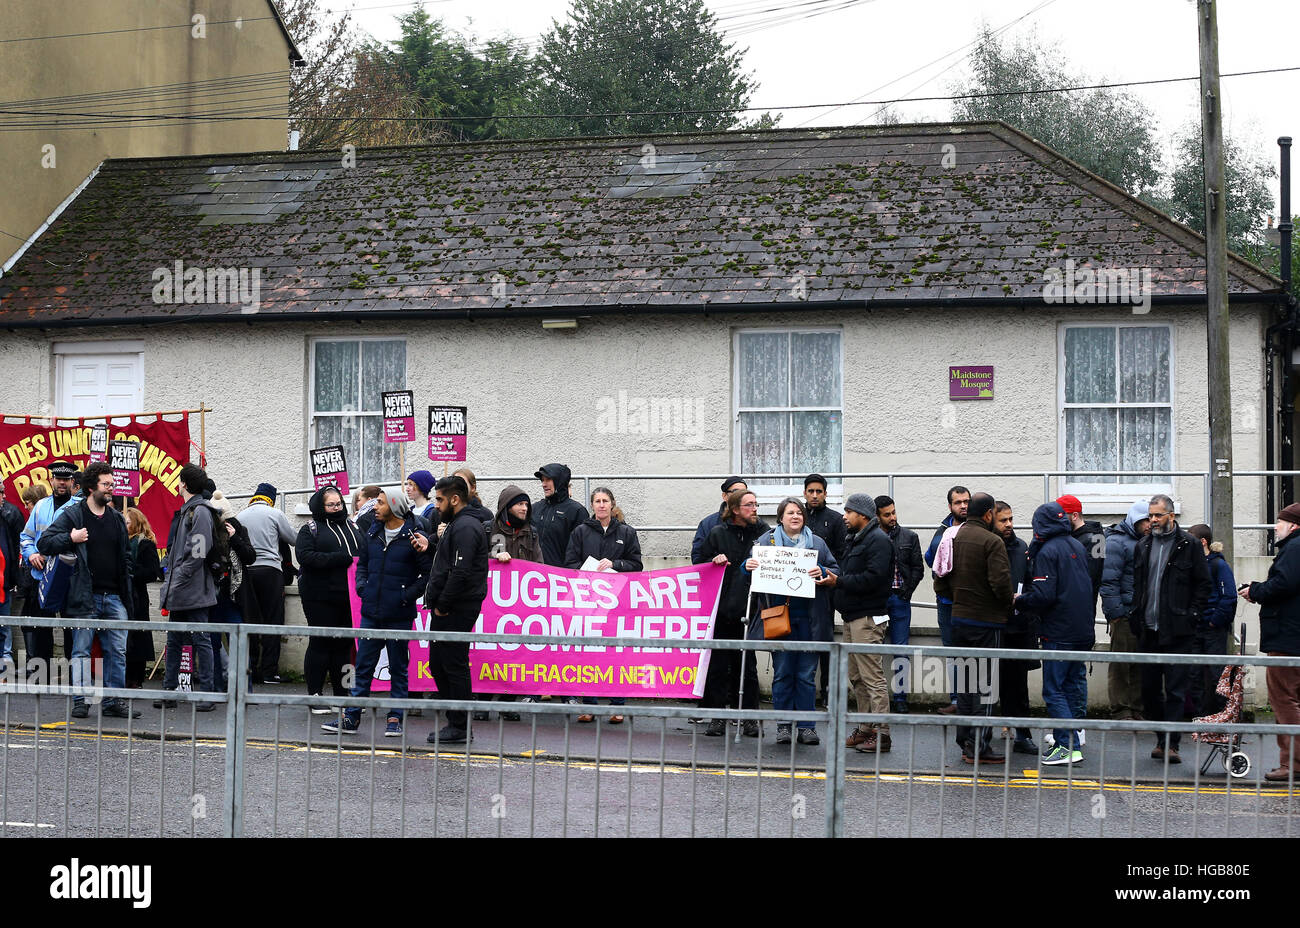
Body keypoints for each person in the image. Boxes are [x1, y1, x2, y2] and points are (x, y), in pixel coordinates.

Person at [37, 462, 141, 719]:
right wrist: (70, 538)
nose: (111, 489)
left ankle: (113, 701)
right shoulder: (74, 515)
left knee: (117, 650)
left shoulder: (116, 518)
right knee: (81, 650)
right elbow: (45, 541)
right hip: (85, 596)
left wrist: (126, 576)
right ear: (92, 487)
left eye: (112, 484)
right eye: (106, 485)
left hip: (115, 597)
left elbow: (126, 556)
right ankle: (81, 700)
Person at [326, 490, 431, 738]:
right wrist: (363, 586)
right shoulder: (372, 532)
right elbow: (362, 564)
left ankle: (395, 718)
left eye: (380, 503)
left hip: (399, 614)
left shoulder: (414, 538)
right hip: (371, 612)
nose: (375, 507)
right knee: (363, 667)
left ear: (394, 507)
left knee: (398, 668)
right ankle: (351, 717)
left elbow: (427, 576)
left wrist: (406, 595)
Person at [743, 497, 839, 746]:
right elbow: (746, 570)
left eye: (799, 512)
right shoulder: (767, 541)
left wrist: (822, 572)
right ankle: (784, 725)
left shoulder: (817, 542)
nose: (795, 516)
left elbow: (835, 571)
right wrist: (748, 565)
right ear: (780, 518)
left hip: (810, 619)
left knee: (806, 675)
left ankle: (807, 726)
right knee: (783, 673)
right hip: (779, 619)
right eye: (790, 513)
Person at [1127, 495, 1212, 764]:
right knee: (1150, 690)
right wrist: (1134, 614)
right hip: (1148, 630)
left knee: (1175, 690)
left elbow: (1203, 584)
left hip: (1178, 631)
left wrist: (1192, 616)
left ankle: (1171, 744)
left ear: (1172, 516)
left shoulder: (1188, 545)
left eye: (1158, 515)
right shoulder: (1142, 545)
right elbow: (1138, 584)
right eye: (1150, 516)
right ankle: (1160, 737)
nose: (1152, 520)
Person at [1015, 502, 1096, 765]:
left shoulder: (1047, 551)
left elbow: (1044, 595)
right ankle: (1069, 741)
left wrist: (1019, 599)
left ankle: (1067, 746)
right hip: (1082, 629)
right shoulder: (1075, 545)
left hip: (1059, 632)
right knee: (1071, 688)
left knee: (1054, 690)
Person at [421, 475, 491, 743]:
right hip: (450, 605)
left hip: (456, 607)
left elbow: (460, 572)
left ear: (454, 499)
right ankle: (456, 722)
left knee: (452, 664)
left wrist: (443, 605)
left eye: (439, 499)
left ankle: (460, 725)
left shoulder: (465, 527)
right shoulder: (456, 524)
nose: (436, 505)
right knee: (439, 664)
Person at [824, 493, 894, 753]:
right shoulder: (856, 539)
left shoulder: (878, 541)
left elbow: (873, 578)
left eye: (849, 511)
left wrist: (838, 582)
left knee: (872, 678)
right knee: (857, 676)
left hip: (867, 619)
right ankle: (867, 728)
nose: (844, 516)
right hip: (852, 617)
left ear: (862, 515)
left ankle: (883, 734)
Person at [566, 487, 642, 723]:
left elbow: (636, 564)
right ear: (592, 506)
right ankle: (590, 706)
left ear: (612, 504)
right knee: (588, 653)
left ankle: (617, 705)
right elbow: (569, 563)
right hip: (589, 603)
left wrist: (616, 563)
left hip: (618, 603)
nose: (601, 505)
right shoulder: (580, 532)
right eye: (597, 501)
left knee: (616, 653)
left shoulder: (627, 532)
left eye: (605, 501)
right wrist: (587, 570)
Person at [948, 492, 1013, 764]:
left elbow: (940, 576)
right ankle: (980, 746)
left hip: (959, 619)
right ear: (988, 514)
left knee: (965, 684)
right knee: (985, 685)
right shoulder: (992, 541)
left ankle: (965, 743)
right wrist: (1008, 604)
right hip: (986, 621)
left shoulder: (953, 536)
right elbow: (1000, 583)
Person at [1239, 503, 1300, 782]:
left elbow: (1284, 584)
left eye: (1280, 522)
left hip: (1288, 639)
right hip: (1291, 636)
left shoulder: (1294, 548)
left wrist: (1256, 591)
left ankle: (1293, 766)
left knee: (1284, 700)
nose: (1276, 526)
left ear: (1294, 525)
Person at [699, 488, 764, 737]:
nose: (755, 509)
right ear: (736, 509)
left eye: (756, 504)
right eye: (749, 505)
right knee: (719, 665)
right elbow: (701, 564)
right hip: (723, 608)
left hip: (750, 608)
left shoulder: (762, 534)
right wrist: (713, 560)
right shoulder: (717, 533)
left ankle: (749, 718)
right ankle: (717, 717)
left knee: (747, 666)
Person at [156, 464, 219, 709]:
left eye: (179, 480)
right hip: (182, 589)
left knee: (201, 639)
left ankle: (207, 695)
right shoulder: (188, 510)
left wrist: (179, 576)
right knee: (174, 640)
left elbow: (199, 551)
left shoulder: (200, 511)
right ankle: (169, 692)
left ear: (184, 483)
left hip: (194, 589)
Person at [296, 486, 361, 714]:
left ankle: (344, 695)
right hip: (318, 595)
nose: (336, 508)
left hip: (348, 596)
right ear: (320, 507)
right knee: (321, 643)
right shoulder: (310, 529)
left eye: (339, 504)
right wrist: (338, 559)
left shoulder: (353, 526)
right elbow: (304, 557)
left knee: (344, 646)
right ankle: (315, 695)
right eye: (330, 505)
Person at [481, 484, 543, 722]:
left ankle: (508, 702)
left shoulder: (532, 533)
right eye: (519, 504)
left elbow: (539, 566)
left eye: (526, 504)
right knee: (487, 653)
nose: (524, 508)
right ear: (507, 507)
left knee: (516, 656)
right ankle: (483, 702)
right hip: (491, 606)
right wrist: (493, 557)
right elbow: (476, 557)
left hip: (521, 608)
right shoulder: (489, 530)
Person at [20, 460, 81, 664]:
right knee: (40, 628)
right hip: (41, 577)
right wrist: (31, 555)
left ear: (72, 482)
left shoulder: (79, 508)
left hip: (69, 578)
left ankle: (73, 677)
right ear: (51, 480)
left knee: (70, 629)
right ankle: (40, 674)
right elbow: (26, 537)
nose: (62, 483)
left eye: (66, 479)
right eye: (58, 479)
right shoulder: (39, 506)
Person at [238, 482, 297, 685]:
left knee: (250, 620)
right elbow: (293, 539)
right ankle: (270, 672)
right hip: (271, 571)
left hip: (248, 572)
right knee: (273, 621)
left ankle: (251, 670)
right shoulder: (274, 513)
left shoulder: (240, 516)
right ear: (270, 498)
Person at [1100, 499, 1151, 720]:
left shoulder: (1147, 541)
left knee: (1140, 664)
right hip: (1125, 614)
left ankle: (1137, 708)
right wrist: (1117, 614)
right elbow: (1109, 581)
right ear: (1135, 520)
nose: (1150, 523)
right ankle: (1121, 710)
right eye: (1145, 520)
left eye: (1152, 519)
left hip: (1143, 613)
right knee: (1122, 664)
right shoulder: (1116, 542)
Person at [995, 501, 1038, 754]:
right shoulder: (988, 546)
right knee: (988, 683)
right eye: (1003, 520)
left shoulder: (1021, 547)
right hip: (993, 626)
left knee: (1018, 685)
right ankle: (986, 732)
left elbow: (1030, 580)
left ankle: (1023, 734)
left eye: (1011, 519)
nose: (1009, 524)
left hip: (1018, 626)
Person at [875, 495, 923, 714]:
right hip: (877, 601)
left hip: (900, 600)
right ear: (877, 516)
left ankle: (901, 697)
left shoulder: (909, 537)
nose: (893, 517)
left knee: (901, 651)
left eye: (894, 512)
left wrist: (907, 591)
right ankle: (876, 700)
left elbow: (917, 568)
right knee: (872, 650)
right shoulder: (872, 538)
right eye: (887, 514)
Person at [925, 485, 970, 713]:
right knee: (951, 652)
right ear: (950, 506)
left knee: (973, 653)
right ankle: (956, 701)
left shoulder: (977, 527)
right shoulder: (941, 530)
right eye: (958, 502)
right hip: (946, 603)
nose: (963, 506)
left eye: (966, 501)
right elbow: (930, 559)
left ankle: (974, 703)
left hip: (971, 603)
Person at [804, 474, 846, 705]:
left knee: (825, 639)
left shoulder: (836, 519)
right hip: (797, 592)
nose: (815, 495)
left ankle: (827, 692)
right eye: (811, 491)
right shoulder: (798, 516)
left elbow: (841, 555)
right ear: (805, 493)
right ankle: (804, 692)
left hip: (824, 590)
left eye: (819, 491)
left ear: (826, 493)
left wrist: (833, 580)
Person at [1187, 524, 1237, 717]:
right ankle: (1199, 716)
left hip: (1212, 628)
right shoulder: (1192, 564)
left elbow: (1229, 596)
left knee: (1217, 674)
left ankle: (1220, 716)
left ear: (1202, 542)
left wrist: (1214, 621)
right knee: (1193, 674)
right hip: (1195, 627)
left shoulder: (1218, 565)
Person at [123, 508, 160, 688]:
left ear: (136, 523)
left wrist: (131, 573)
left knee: (137, 638)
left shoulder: (145, 544)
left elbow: (152, 572)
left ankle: (135, 678)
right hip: (122, 596)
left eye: (127, 522)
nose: (124, 525)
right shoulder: (120, 543)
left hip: (137, 597)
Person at [533, 463, 589, 568]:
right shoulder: (535, 508)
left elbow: (583, 550)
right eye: (542, 480)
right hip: (534, 574)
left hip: (562, 578)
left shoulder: (577, 511)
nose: (544, 484)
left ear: (560, 481)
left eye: (548, 480)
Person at [1056, 495, 1105, 609]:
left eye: (1062, 516)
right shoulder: (1071, 536)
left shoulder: (1095, 539)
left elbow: (1089, 577)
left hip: (1081, 607)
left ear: (1074, 516)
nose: (1058, 521)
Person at [692, 477, 749, 564]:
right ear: (724, 496)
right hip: (721, 576)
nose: (740, 496)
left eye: (744, 493)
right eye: (736, 492)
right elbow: (697, 558)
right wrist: (714, 561)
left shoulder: (756, 524)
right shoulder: (708, 524)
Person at [0, 482, 24, 665]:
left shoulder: (10, 514)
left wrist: (15, 576)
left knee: (4, 623)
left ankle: (5, 659)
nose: (2, 496)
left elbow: (16, 547)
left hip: (4, 580)